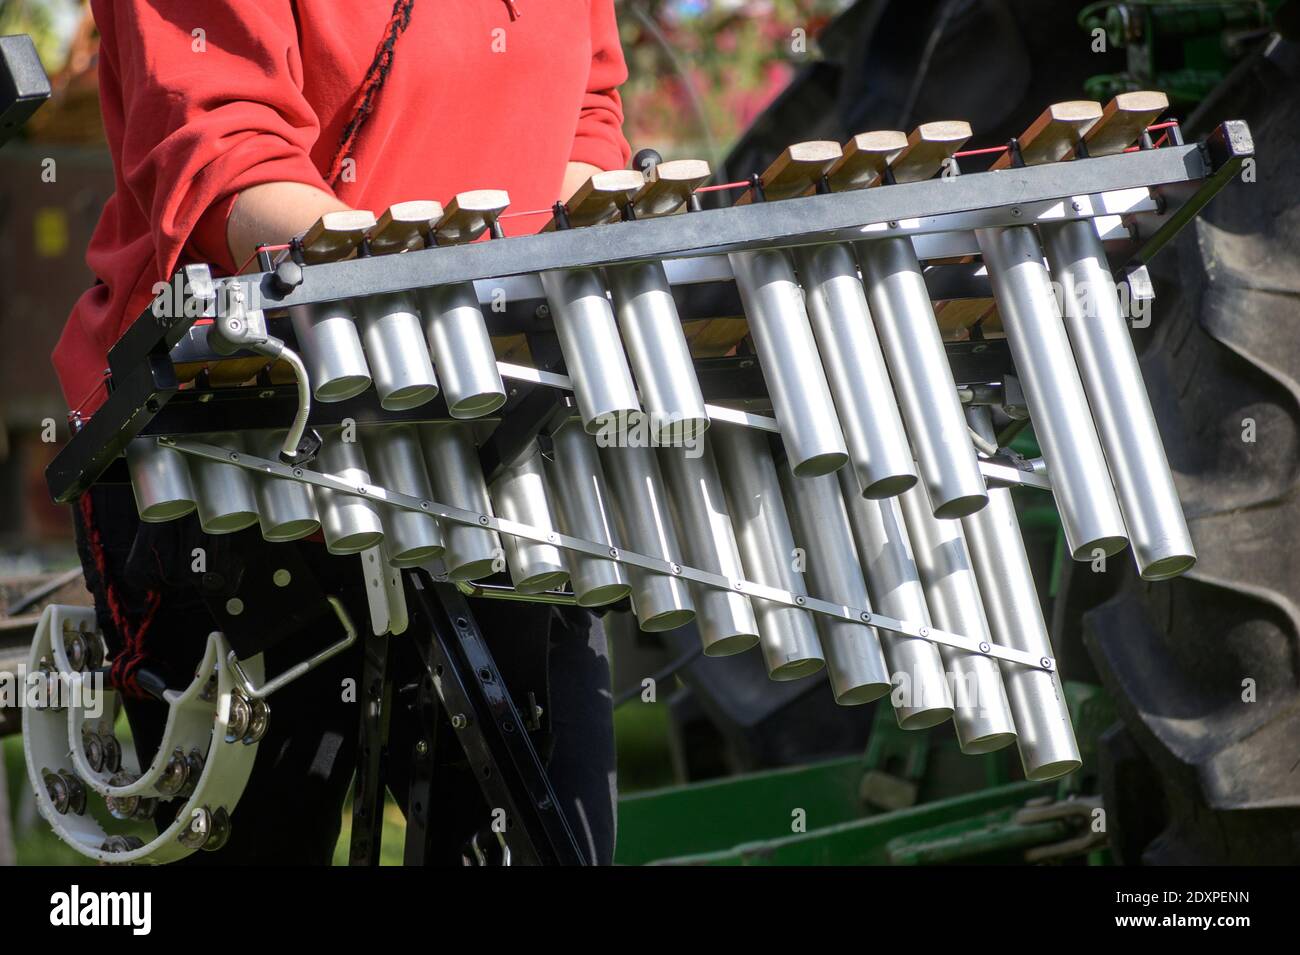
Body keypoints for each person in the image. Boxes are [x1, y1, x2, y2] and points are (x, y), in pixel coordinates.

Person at [53, 0, 631, 865]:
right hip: (237, 445)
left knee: (547, 844)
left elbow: (585, 110)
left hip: (502, 433)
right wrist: (412, 289)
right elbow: (225, 158)